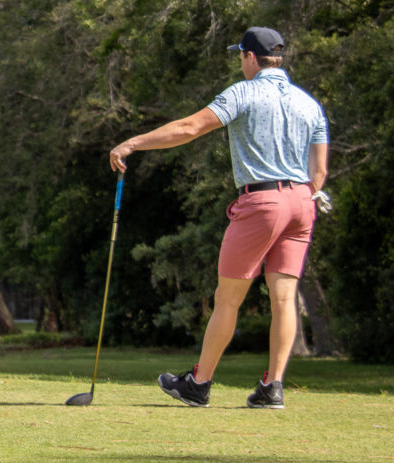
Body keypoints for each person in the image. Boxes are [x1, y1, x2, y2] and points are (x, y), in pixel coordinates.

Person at [109, 26, 329, 409]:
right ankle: (272, 387)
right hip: (302, 203)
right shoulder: (309, 104)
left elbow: (190, 127)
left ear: (250, 57)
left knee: (227, 299)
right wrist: (299, 196)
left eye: (240, 56)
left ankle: (199, 383)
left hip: (262, 202)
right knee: (284, 299)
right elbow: (320, 171)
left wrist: (133, 143)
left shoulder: (243, 93)